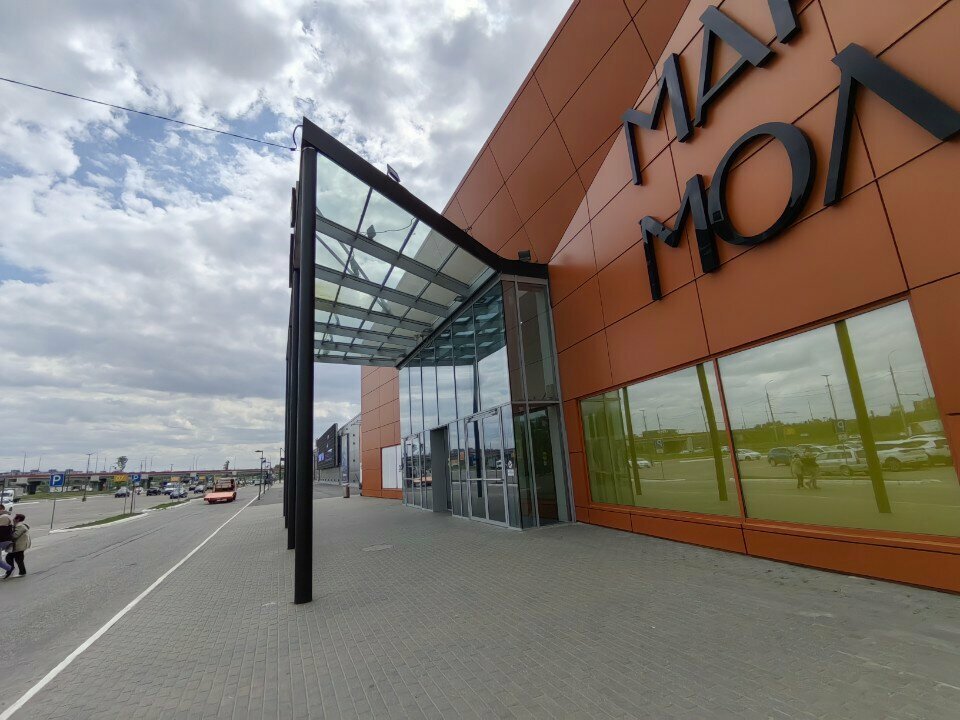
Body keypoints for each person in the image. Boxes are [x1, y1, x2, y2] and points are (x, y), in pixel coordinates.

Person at [6, 513, 29, 577]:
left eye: (14, 518)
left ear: (18, 519)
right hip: (17, 546)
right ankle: (12, 571)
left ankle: (20, 572)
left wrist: (7, 533)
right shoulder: (18, 525)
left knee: (16, 559)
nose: (13, 519)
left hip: (19, 546)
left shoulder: (21, 527)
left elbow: (14, 536)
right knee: (12, 558)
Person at [0, 504, 13, 576]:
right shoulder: (5, 516)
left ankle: (10, 569)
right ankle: (10, 569)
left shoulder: (4, 517)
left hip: (3, 540)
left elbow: (2, 530)